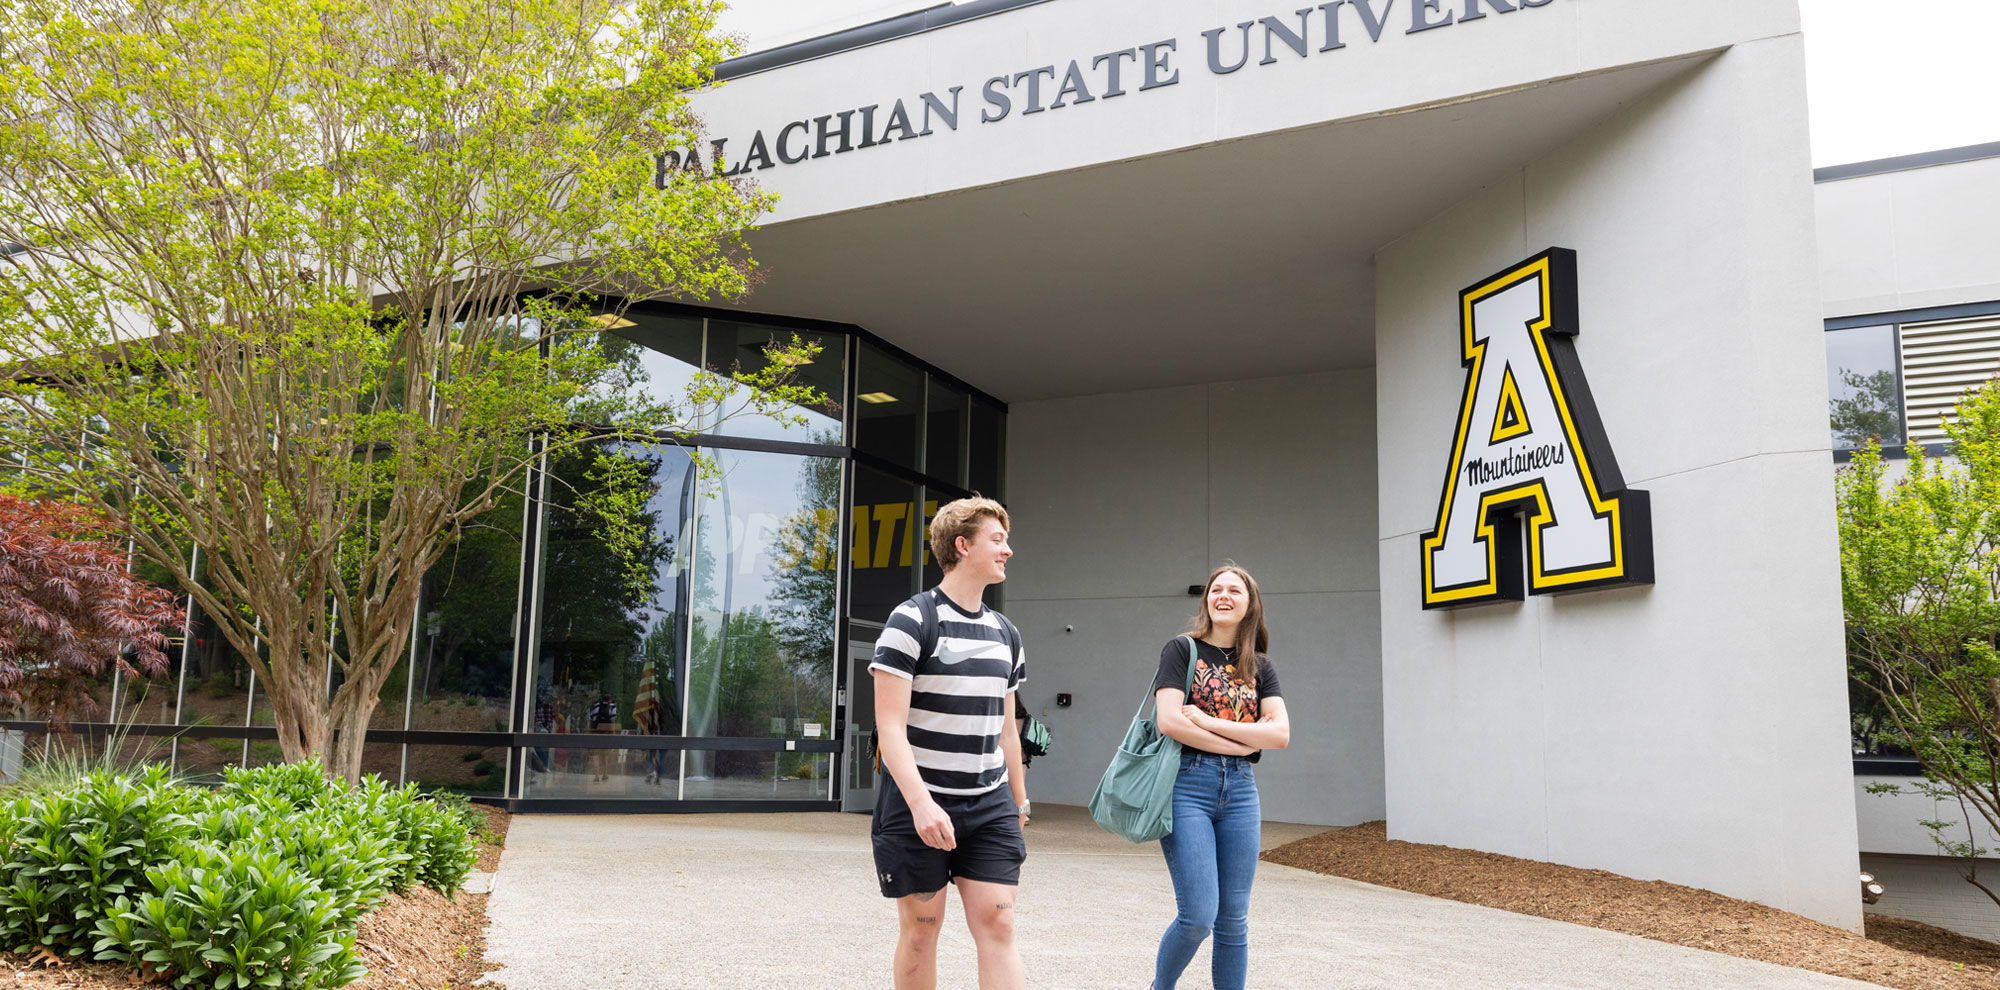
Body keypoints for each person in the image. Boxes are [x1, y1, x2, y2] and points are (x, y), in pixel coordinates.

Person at [870, 496, 1029, 990]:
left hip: (989, 803)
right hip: (918, 803)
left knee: (999, 925)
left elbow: (1007, 730)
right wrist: (921, 805)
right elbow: (889, 728)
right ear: (962, 545)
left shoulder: (1007, 634)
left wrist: (1018, 799)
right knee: (921, 931)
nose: (1008, 550)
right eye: (997, 540)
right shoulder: (912, 621)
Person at [1149, 563, 1290, 990]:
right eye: (1216, 589)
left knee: (1234, 920)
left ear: (1251, 605)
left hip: (1241, 795)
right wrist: (1245, 744)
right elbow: (1170, 722)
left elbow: (1280, 734)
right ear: (1207, 599)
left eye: (1235, 590)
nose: (1223, 596)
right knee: (1198, 916)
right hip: (1187, 786)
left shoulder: (1260, 667)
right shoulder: (1182, 650)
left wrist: (1211, 723)